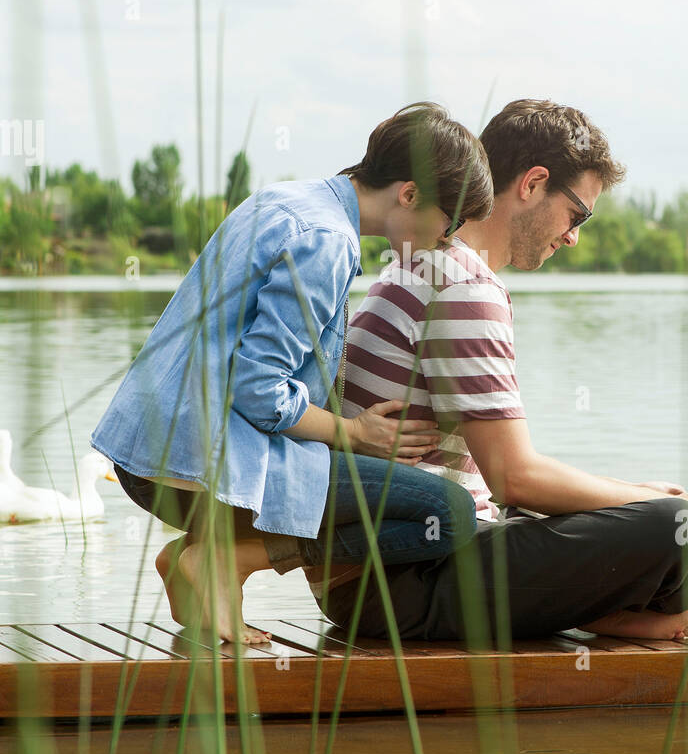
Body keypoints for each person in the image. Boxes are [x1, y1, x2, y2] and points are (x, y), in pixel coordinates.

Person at [319, 98, 688, 644]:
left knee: (666, 525)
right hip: (401, 583)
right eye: (577, 215)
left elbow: (498, 480)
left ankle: (613, 605)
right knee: (680, 532)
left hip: (384, 572)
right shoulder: (464, 288)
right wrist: (667, 509)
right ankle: (624, 603)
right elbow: (514, 477)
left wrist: (633, 491)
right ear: (532, 183)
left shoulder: (423, 263)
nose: (574, 237)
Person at [91, 102, 492, 642]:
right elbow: (258, 390)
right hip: (193, 467)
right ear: (411, 193)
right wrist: (356, 433)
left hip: (148, 452)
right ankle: (226, 561)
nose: (450, 238)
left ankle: (203, 559)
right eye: (453, 219)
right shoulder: (329, 242)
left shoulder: (287, 199)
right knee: (448, 512)